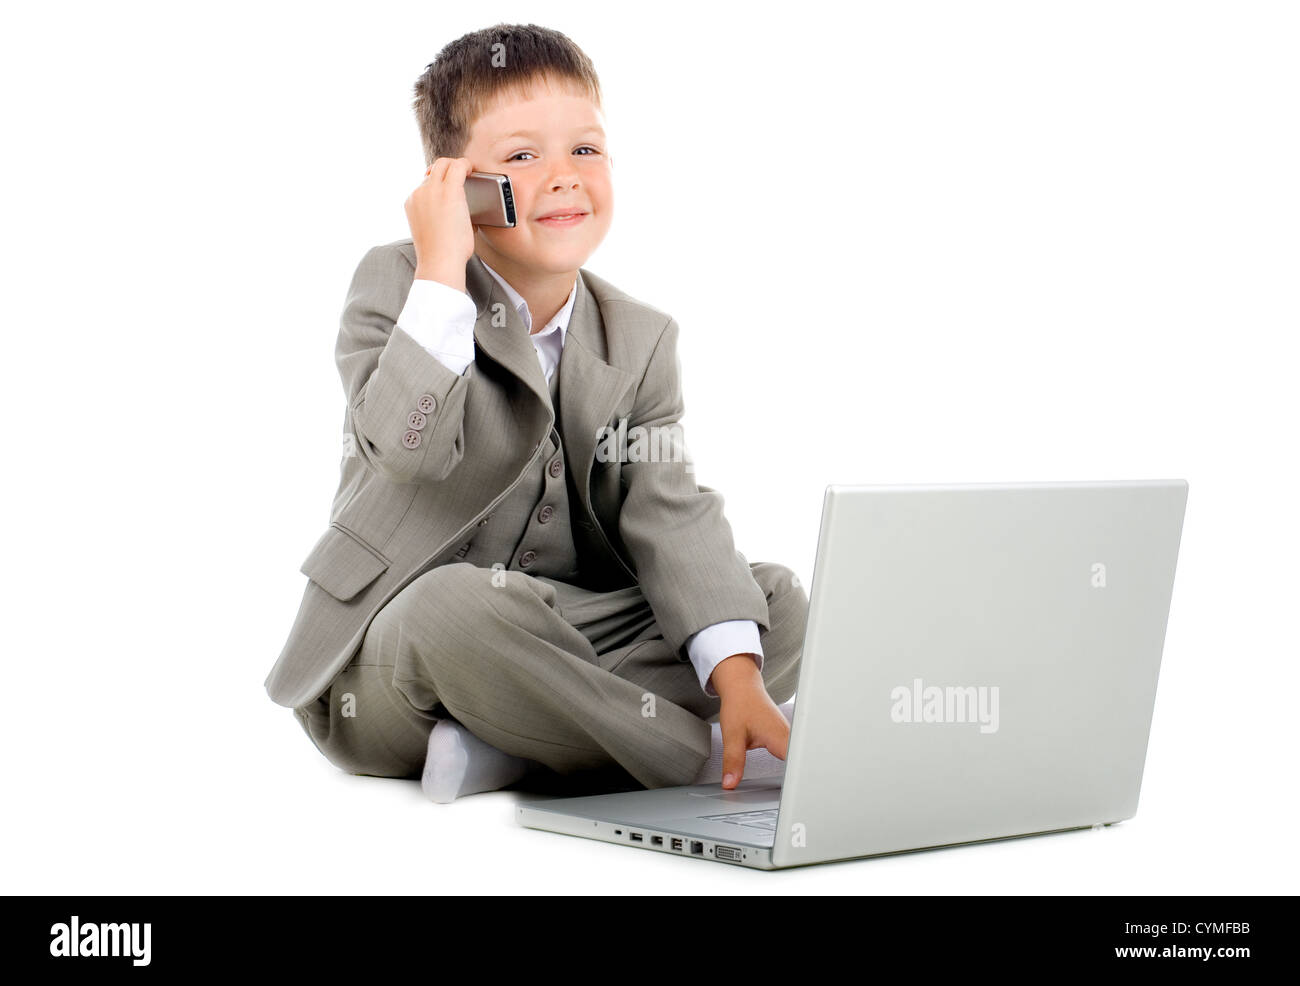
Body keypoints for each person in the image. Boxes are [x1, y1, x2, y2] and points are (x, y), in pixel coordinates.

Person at [265, 23, 809, 802]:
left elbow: (671, 513)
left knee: (771, 606)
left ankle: (516, 743)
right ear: (455, 186)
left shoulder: (639, 337)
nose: (564, 177)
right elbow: (406, 453)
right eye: (523, 156)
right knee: (459, 607)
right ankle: (691, 753)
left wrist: (736, 675)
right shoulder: (400, 287)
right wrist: (443, 273)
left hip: (562, 632)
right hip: (399, 648)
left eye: (586, 150)